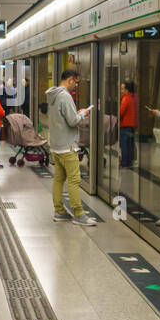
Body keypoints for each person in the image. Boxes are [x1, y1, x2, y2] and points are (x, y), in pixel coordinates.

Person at [46, 68, 96, 225]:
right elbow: (73, 121)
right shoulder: (65, 96)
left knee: (59, 179)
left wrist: (76, 113)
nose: (75, 85)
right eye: (76, 82)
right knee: (74, 180)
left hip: (56, 145)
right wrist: (83, 113)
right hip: (67, 146)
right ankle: (79, 214)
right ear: (70, 80)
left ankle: (59, 211)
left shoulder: (52, 95)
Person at [119, 79, 138, 168]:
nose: (121, 91)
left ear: (127, 90)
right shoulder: (135, 98)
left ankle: (124, 163)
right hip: (133, 125)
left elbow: (121, 112)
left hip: (125, 125)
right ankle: (130, 162)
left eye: (122, 89)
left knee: (124, 145)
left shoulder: (125, 98)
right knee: (130, 144)